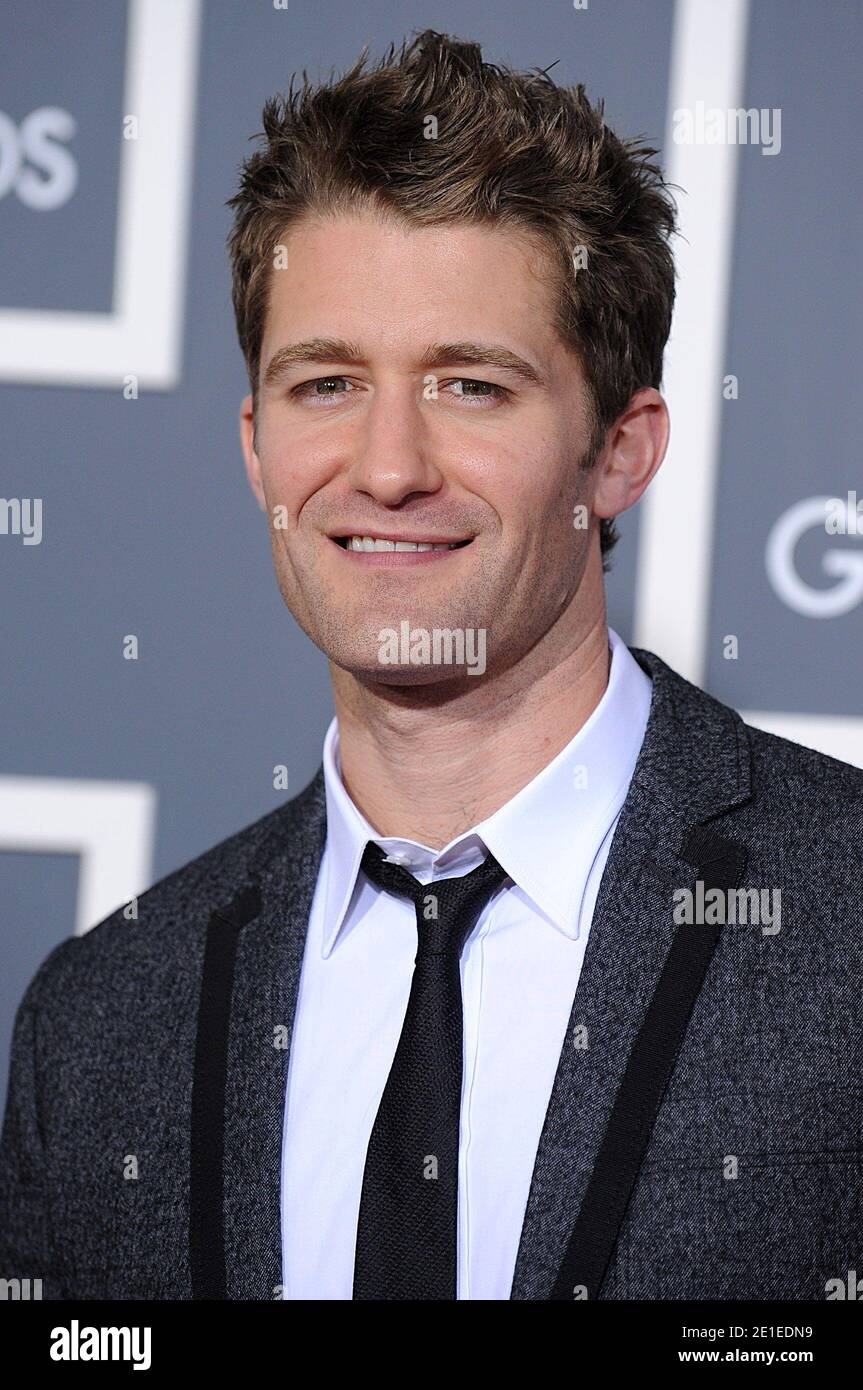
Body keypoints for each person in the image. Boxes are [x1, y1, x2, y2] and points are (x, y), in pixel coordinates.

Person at [1, 30, 861, 1302]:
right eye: (326, 383)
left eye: (469, 385)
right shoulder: (102, 1018)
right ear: (254, 445)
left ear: (619, 450)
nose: (387, 464)